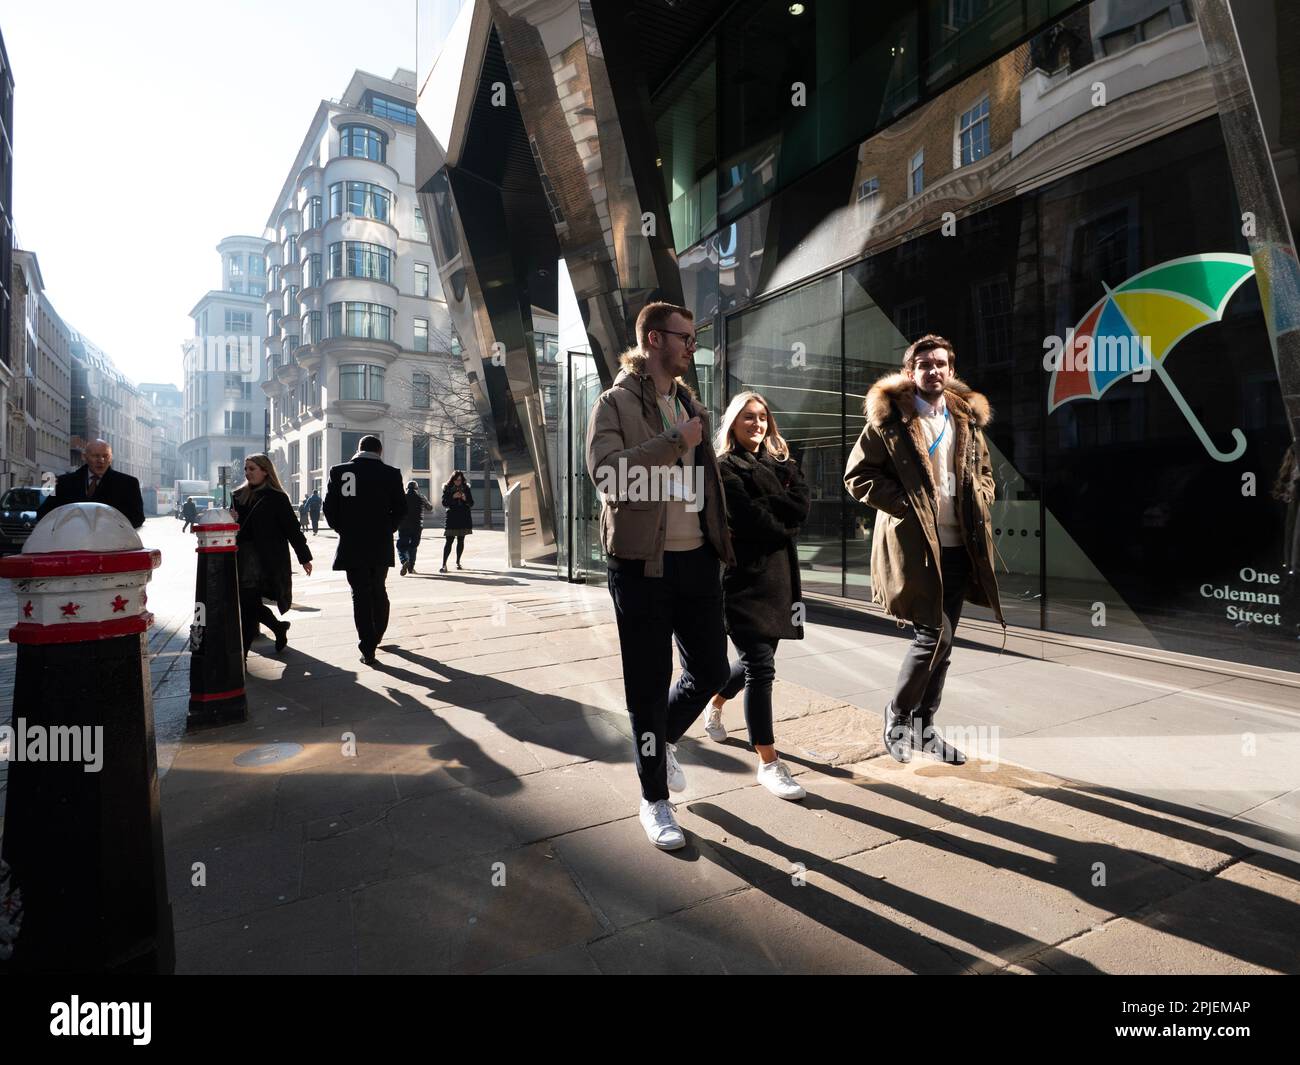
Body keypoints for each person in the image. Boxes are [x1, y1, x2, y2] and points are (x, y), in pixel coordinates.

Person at [586, 300, 734, 851]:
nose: (692, 347)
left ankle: (662, 740)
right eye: (684, 338)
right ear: (653, 340)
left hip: (697, 560)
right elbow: (608, 477)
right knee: (647, 688)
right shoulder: (615, 403)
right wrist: (677, 441)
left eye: (694, 338)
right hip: (642, 567)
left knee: (713, 669)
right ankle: (654, 801)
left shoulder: (688, 402)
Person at [843, 334, 1004, 765]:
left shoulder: (964, 418)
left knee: (944, 645)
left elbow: (984, 471)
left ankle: (923, 727)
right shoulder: (891, 420)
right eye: (924, 365)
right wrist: (906, 504)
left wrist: (982, 496)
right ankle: (898, 717)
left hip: (959, 547)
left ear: (950, 371)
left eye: (940, 364)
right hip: (917, 548)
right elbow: (858, 477)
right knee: (933, 636)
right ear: (910, 372)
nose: (933, 371)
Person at [705, 391, 810, 800]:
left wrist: (776, 512)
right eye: (748, 417)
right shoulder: (722, 467)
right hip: (743, 578)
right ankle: (768, 762)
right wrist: (780, 517)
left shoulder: (782, 462)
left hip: (781, 577)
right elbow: (747, 517)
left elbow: (802, 505)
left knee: (754, 662)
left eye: (763, 417)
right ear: (732, 422)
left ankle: (714, 703)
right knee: (760, 668)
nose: (758, 424)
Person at [322, 435, 406, 666]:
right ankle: (377, 633)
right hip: (380, 542)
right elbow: (401, 508)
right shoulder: (391, 473)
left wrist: (344, 529)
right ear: (380, 451)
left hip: (352, 543)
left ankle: (367, 646)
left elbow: (329, 508)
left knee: (359, 593)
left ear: (358, 449)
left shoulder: (339, 472)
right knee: (378, 588)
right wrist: (388, 528)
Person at [230, 455, 312, 657]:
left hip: (266, 560)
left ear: (265, 471)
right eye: (246, 469)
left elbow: (292, 529)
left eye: (252, 469)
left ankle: (242, 657)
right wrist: (230, 520)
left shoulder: (277, 497)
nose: (248, 472)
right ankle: (278, 627)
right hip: (242, 559)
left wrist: (304, 557)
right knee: (249, 605)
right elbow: (233, 530)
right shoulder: (238, 495)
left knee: (249, 608)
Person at [37, 439, 145, 529]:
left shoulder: (128, 484)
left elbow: (137, 518)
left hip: (112, 546)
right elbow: (44, 514)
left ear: (111, 458)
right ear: (84, 457)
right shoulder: (63, 482)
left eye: (105, 456)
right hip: (72, 544)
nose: (101, 460)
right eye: (96, 456)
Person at [439, 471, 474, 572]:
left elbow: (471, 503)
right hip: (452, 518)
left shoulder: (466, 488)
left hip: (463, 517)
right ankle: (444, 564)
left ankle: (458, 562)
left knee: (461, 540)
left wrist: (465, 498)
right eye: (456, 480)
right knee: (449, 541)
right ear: (452, 480)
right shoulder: (447, 488)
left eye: (460, 480)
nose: (458, 482)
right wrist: (453, 497)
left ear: (462, 480)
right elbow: (444, 503)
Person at [398, 481, 433, 575]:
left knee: (401, 545)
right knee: (413, 547)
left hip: (403, 525)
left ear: (407, 489)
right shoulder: (421, 497)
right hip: (417, 526)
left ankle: (405, 560)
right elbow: (430, 507)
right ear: (417, 489)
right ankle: (411, 568)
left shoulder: (402, 497)